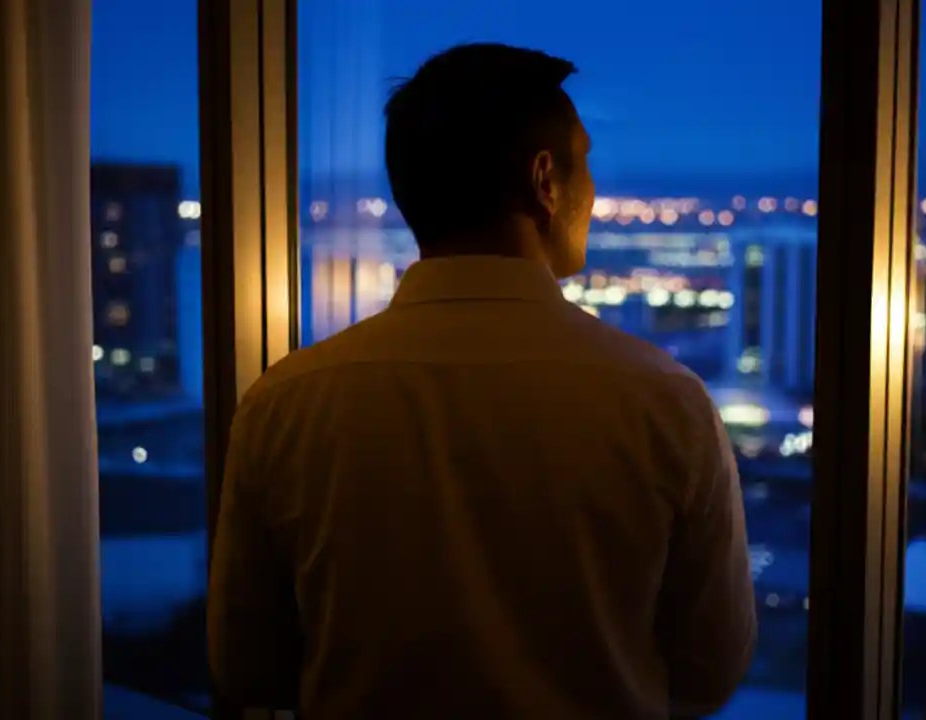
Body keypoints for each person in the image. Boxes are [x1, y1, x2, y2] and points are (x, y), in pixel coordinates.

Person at [208, 43, 756, 720]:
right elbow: (709, 670)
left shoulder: (285, 402)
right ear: (545, 181)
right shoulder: (665, 402)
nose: (595, 193)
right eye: (585, 164)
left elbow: (249, 668)